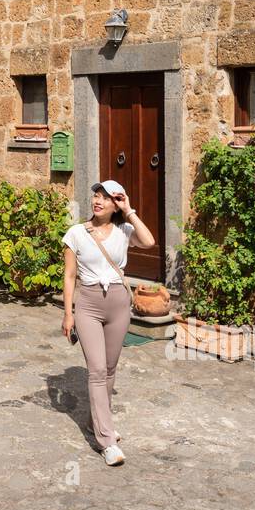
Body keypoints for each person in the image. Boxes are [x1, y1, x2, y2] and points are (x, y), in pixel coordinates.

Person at [61, 179, 157, 465]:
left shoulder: (124, 230)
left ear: (116, 203)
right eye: (96, 195)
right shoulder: (76, 233)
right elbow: (69, 276)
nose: (98, 201)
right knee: (97, 369)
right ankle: (106, 439)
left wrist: (130, 210)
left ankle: (95, 421)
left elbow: (149, 242)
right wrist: (69, 313)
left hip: (118, 303)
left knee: (111, 367)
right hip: (88, 304)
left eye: (106, 197)